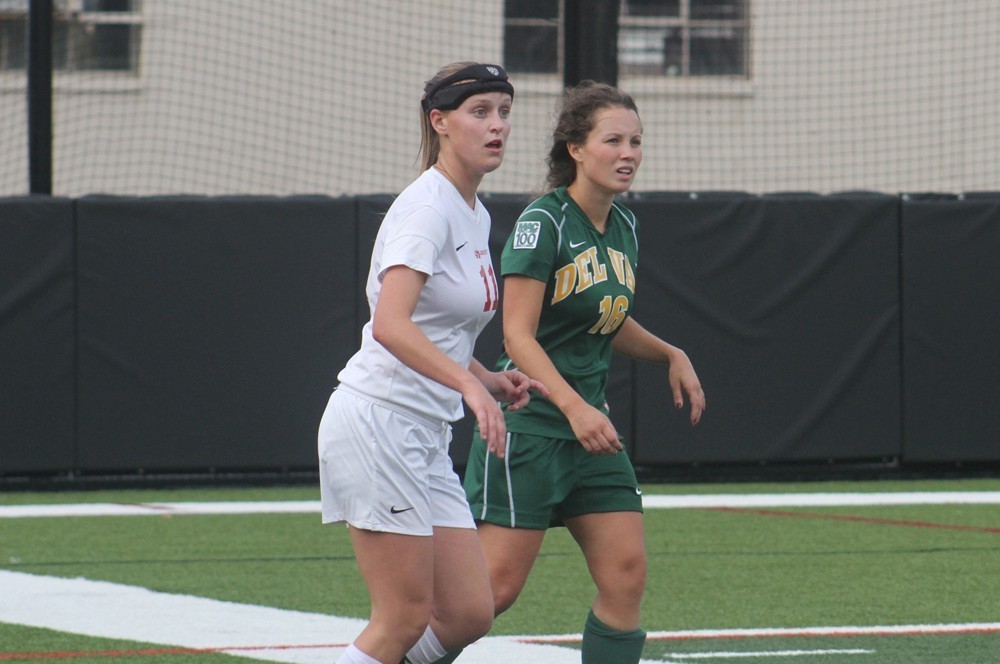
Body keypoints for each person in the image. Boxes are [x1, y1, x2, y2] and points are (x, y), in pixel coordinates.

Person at [462, 81, 706, 664]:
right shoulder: (543, 221)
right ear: (575, 148)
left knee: (626, 574)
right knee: (491, 594)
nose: (628, 153)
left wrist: (670, 352)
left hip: (591, 435)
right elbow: (517, 337)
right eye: (612, 140)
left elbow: (605, 317)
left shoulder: (625, 226)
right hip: (531, 429)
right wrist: (574, 408)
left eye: (636, 142)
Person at [318, 62, 545, 664]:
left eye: (504, 112)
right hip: (379, 424)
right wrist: (469, 388)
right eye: (480, 112)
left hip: (425, 433)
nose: (497, 126)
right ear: (439, 122)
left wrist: (488, 378)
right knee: (401, 619)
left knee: (469, 612)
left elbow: (439, 329)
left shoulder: (474, 211)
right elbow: (391, 325)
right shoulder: (426, 209)